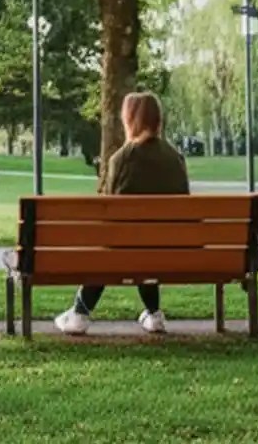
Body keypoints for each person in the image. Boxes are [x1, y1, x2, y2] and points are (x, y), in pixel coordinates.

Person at [53, 91, 190, 336]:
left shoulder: (122, 159)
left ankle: (80, 312)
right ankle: (153, 314)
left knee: (113, 246)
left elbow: (110, 215)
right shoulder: (175, 158)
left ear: (131, 120)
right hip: (170, 249)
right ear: (157, 119)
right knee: (144, 245)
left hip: (126, 248)